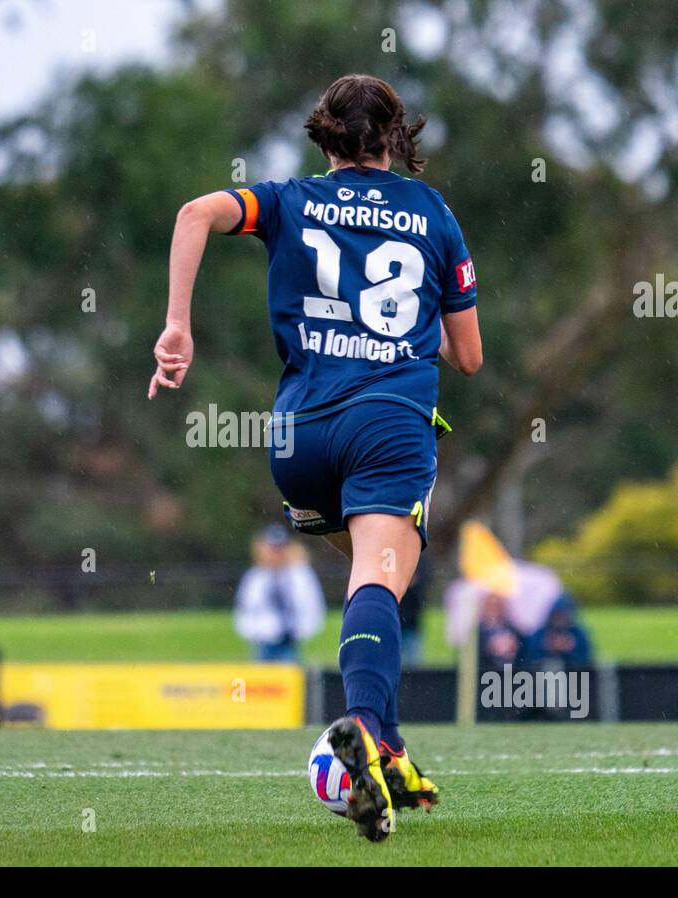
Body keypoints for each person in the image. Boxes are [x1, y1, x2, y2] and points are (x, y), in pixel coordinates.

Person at [147, 74, 482, 841]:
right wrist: (404, 326)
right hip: (388, 423)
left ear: (323, 135)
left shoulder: (287, 200)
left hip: (298, 438)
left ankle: (389, 749)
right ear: (398, 137)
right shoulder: (433, 213)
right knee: (379, 577)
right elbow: (468, 356)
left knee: (383, 581)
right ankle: (365, 728)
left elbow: (195, 212)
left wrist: (177, 327)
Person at [233, 525, 326, 662]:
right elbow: (244, 610)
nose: (276, 553)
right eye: (272, 548)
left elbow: (313, 606)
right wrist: (257, 631)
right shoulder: (255, 578)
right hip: (263, 643)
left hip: (290, 642)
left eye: (280, 548)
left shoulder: (300, 576)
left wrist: (300, 631)